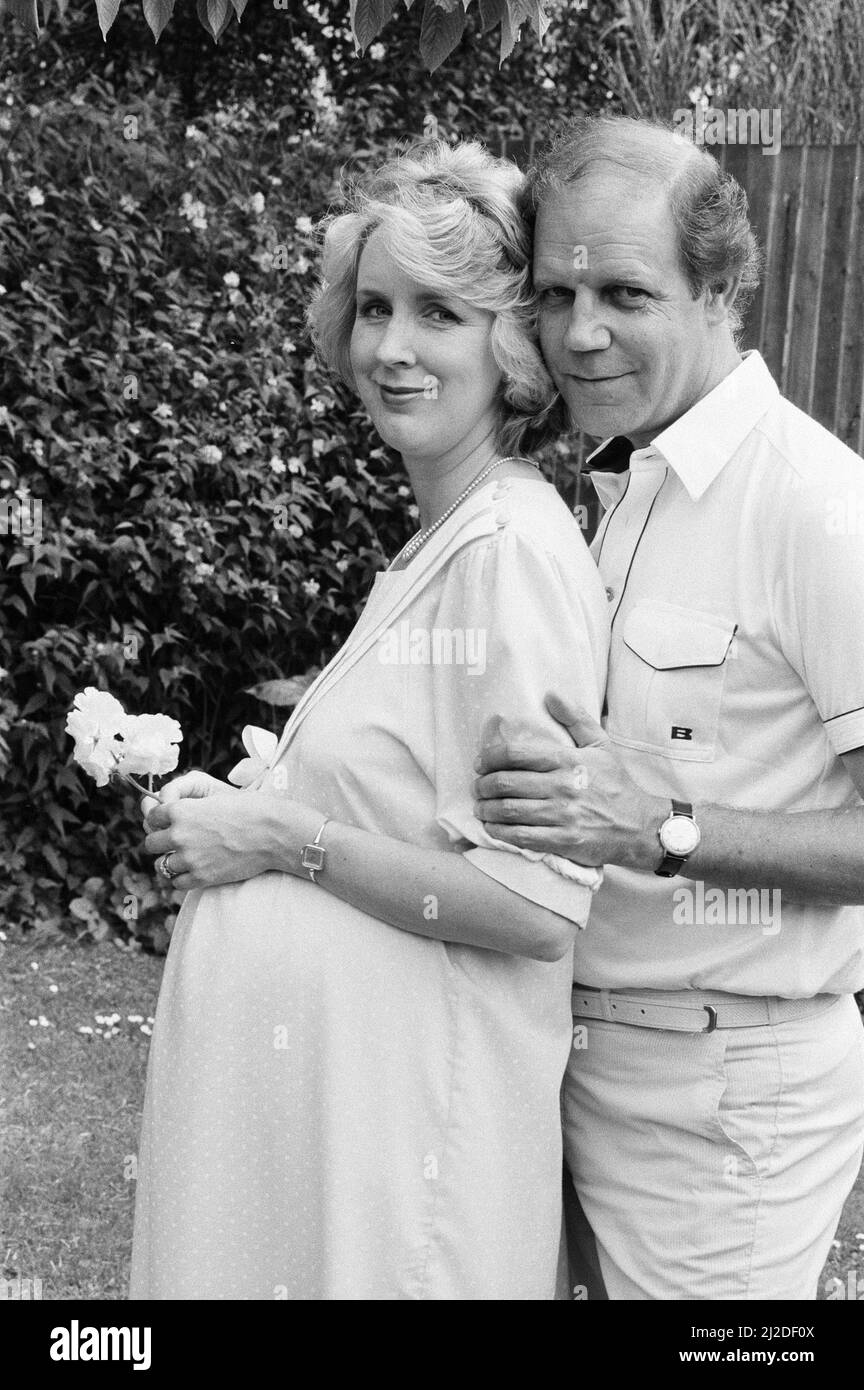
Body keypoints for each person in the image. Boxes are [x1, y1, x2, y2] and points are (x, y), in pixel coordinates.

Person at [129, 140, 610, 1301]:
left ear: (509, 348)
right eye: (376, 308)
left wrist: (278, 839)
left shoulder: (510, 553)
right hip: (342, 1148)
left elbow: (537, 905)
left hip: (411, 1181)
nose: (392, 348)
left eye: (439, 313)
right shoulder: (438, 548)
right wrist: (258, 805)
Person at [474, 113, 864, 1301]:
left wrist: (669, 828)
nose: (580, 332)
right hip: (580, 1061)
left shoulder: (815, 507)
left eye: (626, 293)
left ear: (719, 289)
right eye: (555, 295)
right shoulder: (628, 481)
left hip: (728, 1093)